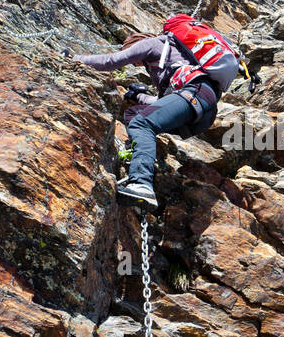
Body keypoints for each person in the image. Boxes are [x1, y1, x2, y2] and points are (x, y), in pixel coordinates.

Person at [71, 24, 237, 210]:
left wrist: (74, 59)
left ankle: (141, 183)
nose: (137, 64)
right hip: (202, 109)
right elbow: (165, 102)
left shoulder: (152, 43)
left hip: (195, 94)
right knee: (134, 114)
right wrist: (137, 97)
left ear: (135, 44)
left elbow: (112, 61)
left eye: (135, 59)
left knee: (142, 124)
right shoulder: (171, 59)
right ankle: (139, 156)